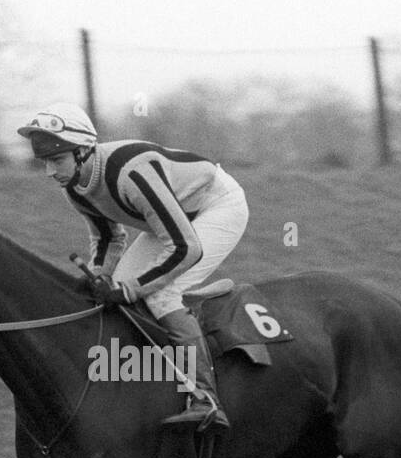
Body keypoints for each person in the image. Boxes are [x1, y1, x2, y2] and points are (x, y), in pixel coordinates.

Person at [16, 102, 248, 431]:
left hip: (216, 207)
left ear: (83, 152)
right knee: (119, 293)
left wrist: (131, 287)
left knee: (159, 294)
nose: (50, 172)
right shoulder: (76, 188)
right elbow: (110, 238)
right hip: (171, 222)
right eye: (45, 162)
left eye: (56, 160)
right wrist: (100, 277)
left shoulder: (131, 173)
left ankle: (206, 398)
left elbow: (185, 247)